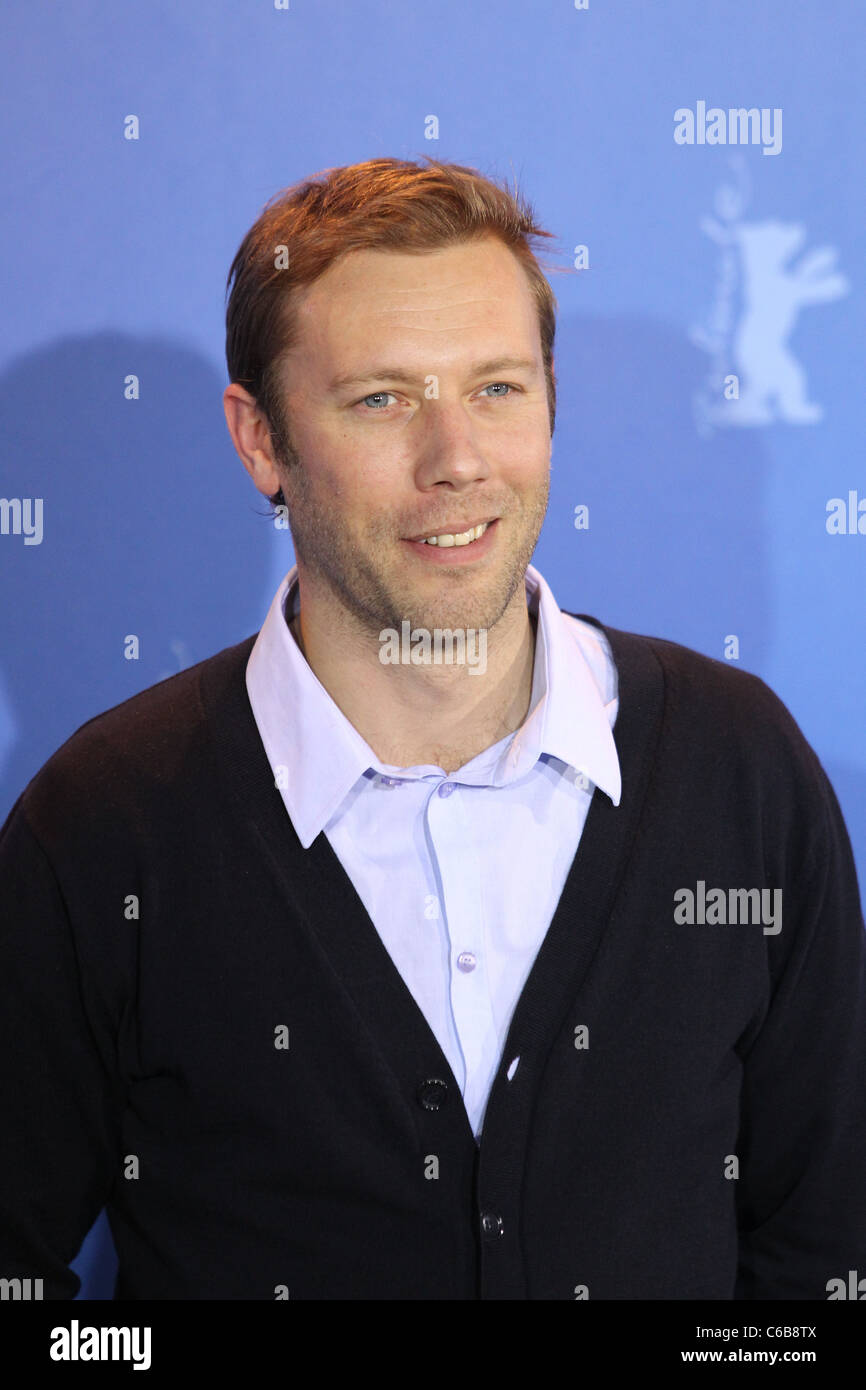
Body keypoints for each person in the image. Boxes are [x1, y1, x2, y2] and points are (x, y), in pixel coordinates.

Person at [1, 157, 864, 1301]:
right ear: (260, 441)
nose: (455, 460)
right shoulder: (104, 822)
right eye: (381, 399)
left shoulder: (737, 764)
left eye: (496, 387)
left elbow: (821, 1256)